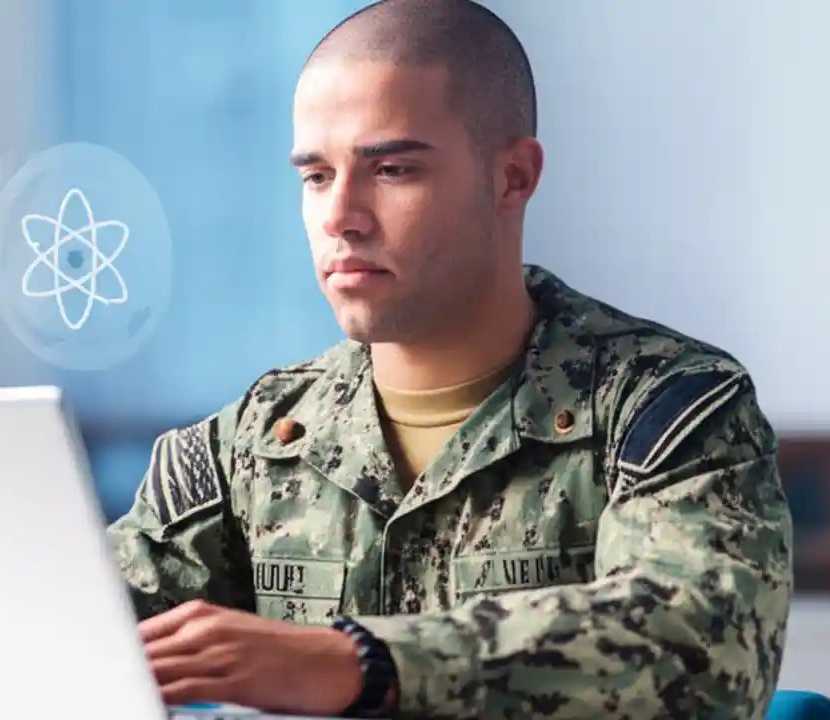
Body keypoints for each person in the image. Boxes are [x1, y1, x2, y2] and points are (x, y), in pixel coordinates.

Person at [108, 0, 793, 717]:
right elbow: (72, 628)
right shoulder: (251, 443)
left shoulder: (666, 413)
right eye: (315, 177)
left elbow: (700, 650)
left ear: (512, 178)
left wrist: (361, 664)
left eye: (393, 169)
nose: (341, 215)